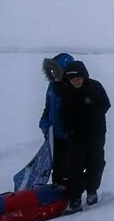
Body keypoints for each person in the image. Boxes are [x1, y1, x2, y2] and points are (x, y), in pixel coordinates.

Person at [56, 59, 109, 211]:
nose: (77, 82)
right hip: (76, 136)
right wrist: (68, 128)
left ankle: (92, 190)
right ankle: (75, 198)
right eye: (73, 79)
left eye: (79, 78)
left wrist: (91, 109)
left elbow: (105, 104)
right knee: (74, 167)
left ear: (84, 76)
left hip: (95, 134)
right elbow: (63, 113)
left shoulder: (95, 87)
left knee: (96, 163)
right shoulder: (67, 93)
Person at [38, 53, 74, 189]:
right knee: (57, 167)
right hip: (54, 136)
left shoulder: (71, 87)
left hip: (69, 136)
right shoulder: (52, 87)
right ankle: (57, 190)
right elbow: (47, 110)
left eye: (57, 70)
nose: (54, 73)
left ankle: (71, 194)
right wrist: (45, 126)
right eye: (52, 70)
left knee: (69, 167)